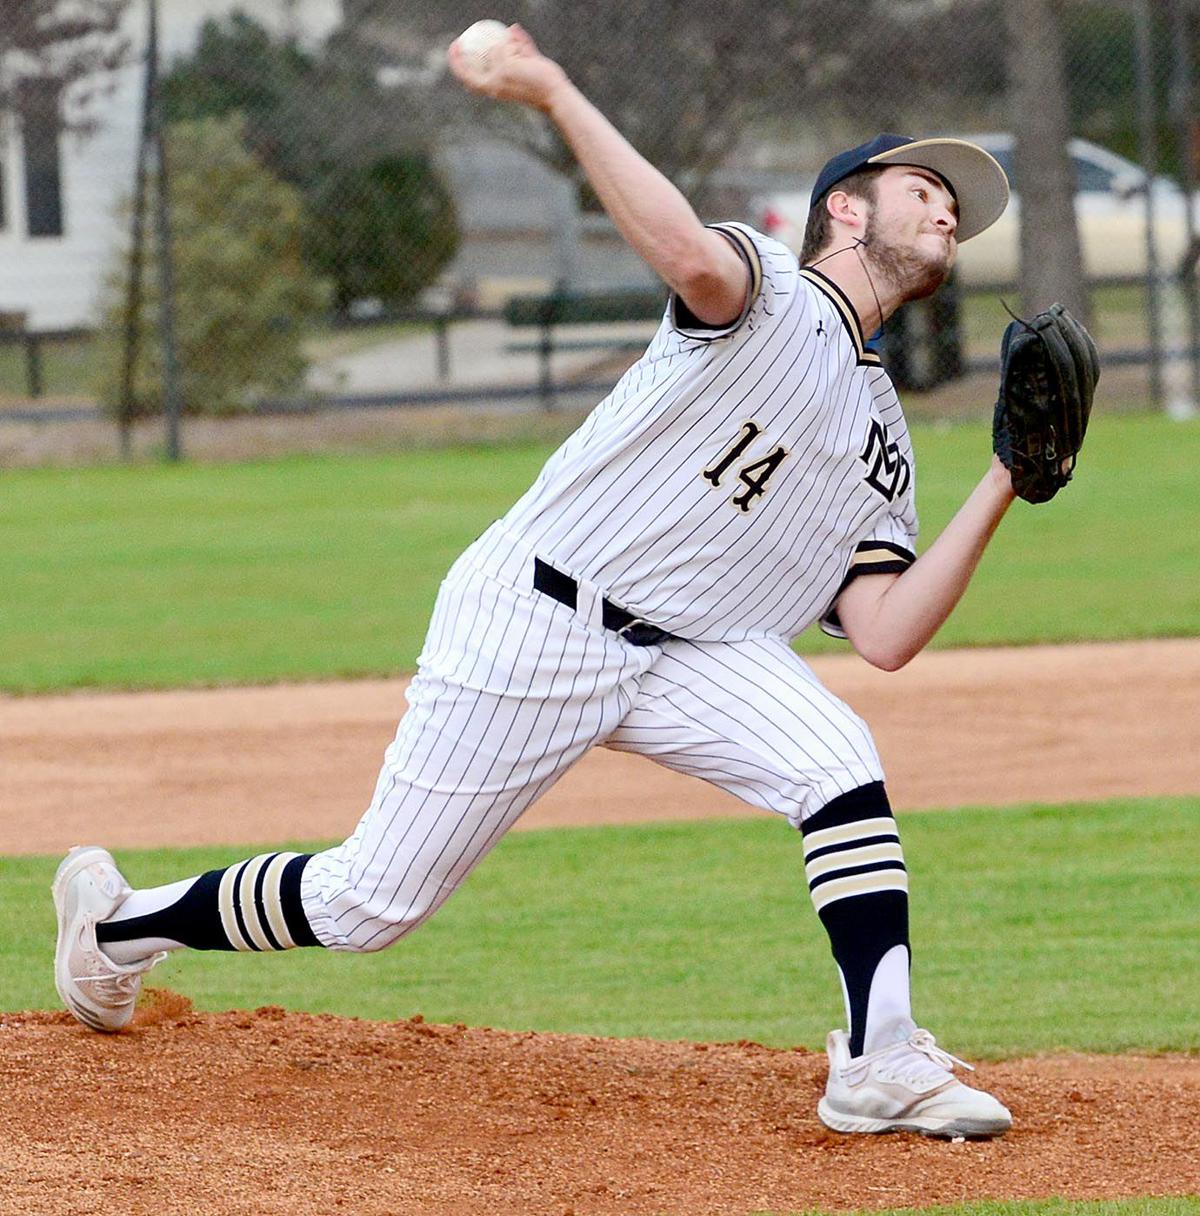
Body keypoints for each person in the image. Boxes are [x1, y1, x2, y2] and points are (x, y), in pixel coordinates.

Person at [54, 25, 1019, 1138]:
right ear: (845, 207)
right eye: (923, 187)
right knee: (370, 904)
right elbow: (691, 259)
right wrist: (555, 88)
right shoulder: (766, 295)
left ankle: (879, 1057)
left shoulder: (884, 432)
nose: (948, 209)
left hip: (690, 653)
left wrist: (1003, 479)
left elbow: (884, 630)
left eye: (958, 203)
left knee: (839, 759)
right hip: (538, 614)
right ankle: (119, 929)